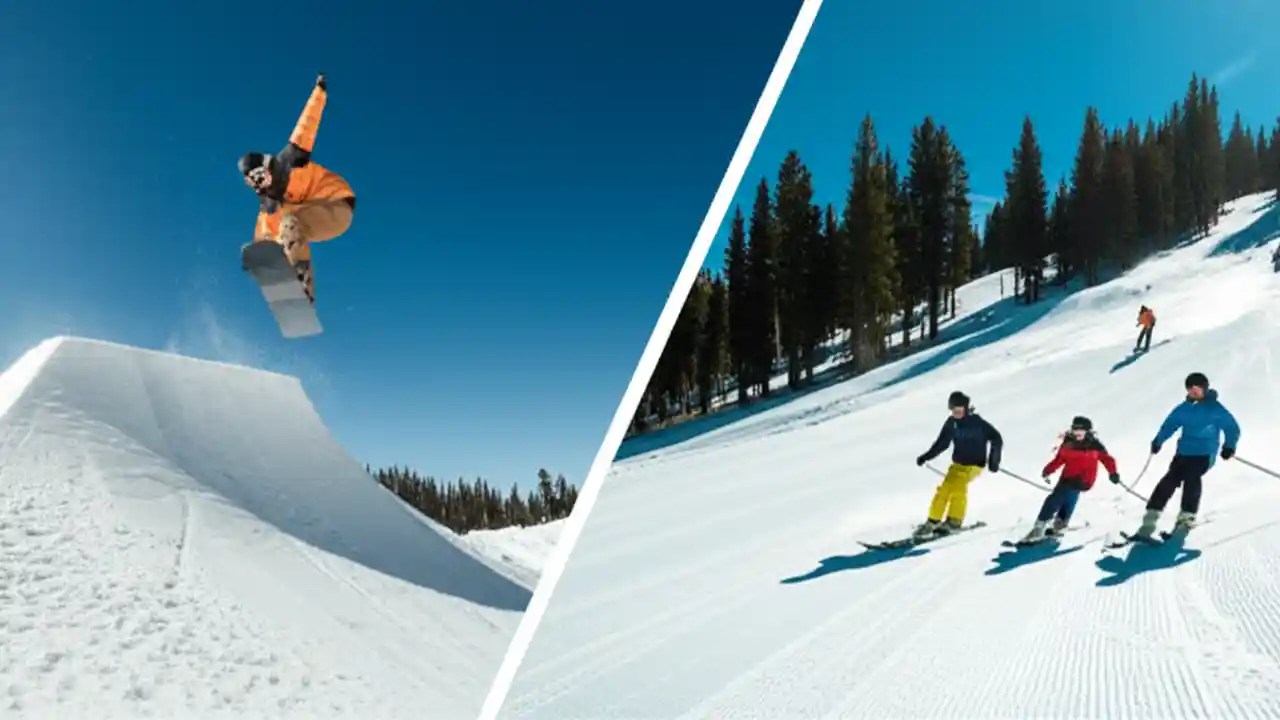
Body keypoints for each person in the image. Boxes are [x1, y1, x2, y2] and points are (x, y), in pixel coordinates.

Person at [238, 73, 356, 304]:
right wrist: (257, 257)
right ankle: (301, 292)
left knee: (290, 220)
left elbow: (307, 123)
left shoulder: (290, 159)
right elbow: (264, 233)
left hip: (336, 204)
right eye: (253, 183)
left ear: (267, 165)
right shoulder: (268, 203)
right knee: (284, 231)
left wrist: (319, 91)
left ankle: (300, 282)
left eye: (260, 176)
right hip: (311, 219)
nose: (261, 185)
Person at [1134, 372, 1241, 538]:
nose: (1193, 392)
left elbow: (1232, 428)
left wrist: (1229, 446)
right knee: (1169, 480)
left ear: (1204, 389)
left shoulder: (1215, 408)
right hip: (1183, 453)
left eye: (1197, 389)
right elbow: (1169, 425)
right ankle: (1150, 518)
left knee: (1192, 476)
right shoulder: (1184, 409)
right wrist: (1158, 441)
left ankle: (1187, 516)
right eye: (1190, 390)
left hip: (1204, 454)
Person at [913, 391, 1003, 538]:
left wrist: (994, 460)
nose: (956, 414)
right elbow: (942, 443)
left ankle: (954, 521)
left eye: (959, 411)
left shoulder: (977, 423)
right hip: (958, 464)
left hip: (974, 465)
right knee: (944, 489)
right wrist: (926, 456)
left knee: (958, 488)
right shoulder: (952, 424)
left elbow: (996, 438)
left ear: (966, 409)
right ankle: (932, 522)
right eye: (953, 411)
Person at [1019, 416, 1118, 543]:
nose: (1077, 432)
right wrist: (1048, 470)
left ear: (1088, 431)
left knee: (1055, 499)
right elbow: (1060, 459)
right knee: (1068, 499)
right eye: (1075, 429)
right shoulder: (1068, 443)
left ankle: (1039, 528)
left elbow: (1107, 459)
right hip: (1067, 477)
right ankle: (1060, 525)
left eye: (1080, 430)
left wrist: (1113, 473)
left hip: (1084, 479)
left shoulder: (1095, 445)